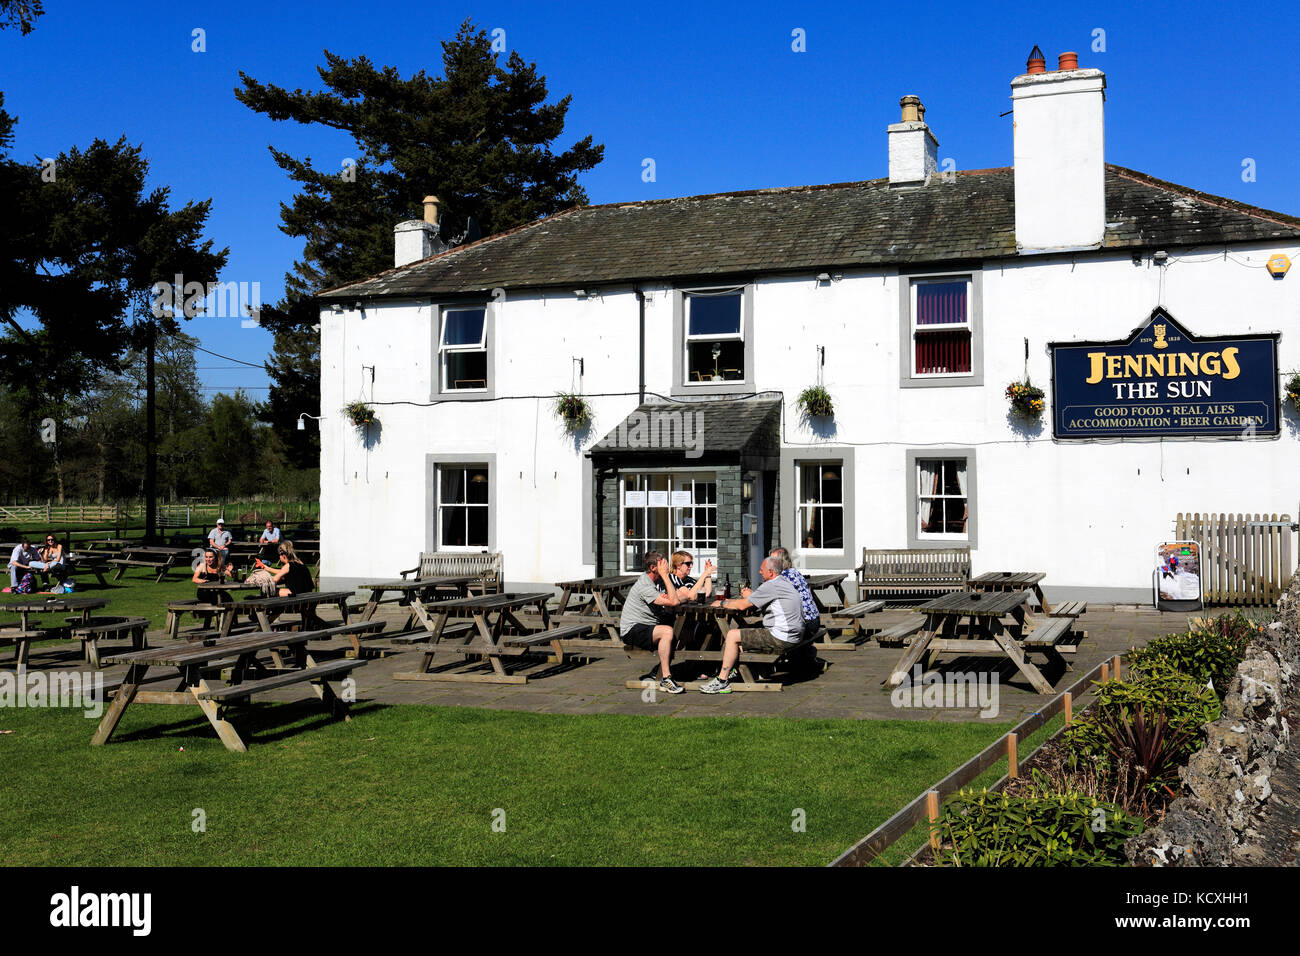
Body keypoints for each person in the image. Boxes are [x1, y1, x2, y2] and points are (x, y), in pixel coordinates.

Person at [700, 556, 807, 694]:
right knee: (743, 634)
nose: (759, 572)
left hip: (782, 636)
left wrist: (721, 603)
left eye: (762, 570)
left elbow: (742, 606)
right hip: (795, 634)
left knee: (732, 635)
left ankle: (722, 680)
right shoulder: (784, 582)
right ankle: (752, 671)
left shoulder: (771, 585)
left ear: (771, 572)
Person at [619, 551, 685, 694]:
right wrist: (666, 578)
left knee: (685, 629)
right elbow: (674, 601)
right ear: (653, 567)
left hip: (649, 625)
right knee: (667, 631)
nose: (667, 567)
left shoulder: (657, 582)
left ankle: (659, 671)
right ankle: (666, 679)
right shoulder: (645, 585)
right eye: (663, 564)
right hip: (632, 630)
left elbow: (682, 596)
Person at [770, 546, 821, 640]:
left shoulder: (783, 577)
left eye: (772, 560)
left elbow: (767, 598)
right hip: (815, 621)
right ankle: (806, 651)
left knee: (770, 629)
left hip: (805, 625)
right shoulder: (795, 572)